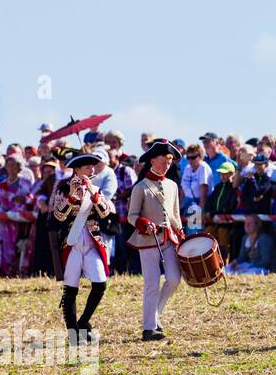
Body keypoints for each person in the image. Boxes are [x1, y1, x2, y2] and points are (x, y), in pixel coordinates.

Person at [52, 152, 115, 342]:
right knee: (70, 289)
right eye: (87, 167)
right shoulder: (63, 188)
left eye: (93, 167)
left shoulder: (96, 189)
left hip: (92, 242)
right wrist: (71, 196)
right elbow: (58, 216)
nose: (92, 170)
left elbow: (105, 214)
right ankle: (72, 333)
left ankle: (83, 322)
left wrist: (93, 194)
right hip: (71, 243)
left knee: (100, 283)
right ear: (77, 170)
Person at [127, 140, 186, 341]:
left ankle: (156, 314)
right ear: (152, 161)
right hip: (147, 240)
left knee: (174, 278)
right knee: (151, 283)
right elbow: (131, 216)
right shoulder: (140, 187)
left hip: (169, 238)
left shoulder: (172, 186)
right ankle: (149, 328)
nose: (166, 165)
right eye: (163, 161)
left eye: (169, 161)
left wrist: (180, 232)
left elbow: (175, 214)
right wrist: (143, 223)